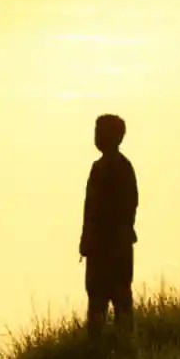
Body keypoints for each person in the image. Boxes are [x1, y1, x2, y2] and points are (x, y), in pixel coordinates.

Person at [79, 113, 137, 340]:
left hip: (112, 246)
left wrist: (102, 239)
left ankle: (120, 345)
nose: (96, 136)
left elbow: (126, 208)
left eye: (100, 131)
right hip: (102, 245)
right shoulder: (104, 167)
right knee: (98, 299)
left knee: (117, 297)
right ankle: (98, 348)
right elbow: (90, 209)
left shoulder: (119, 168)